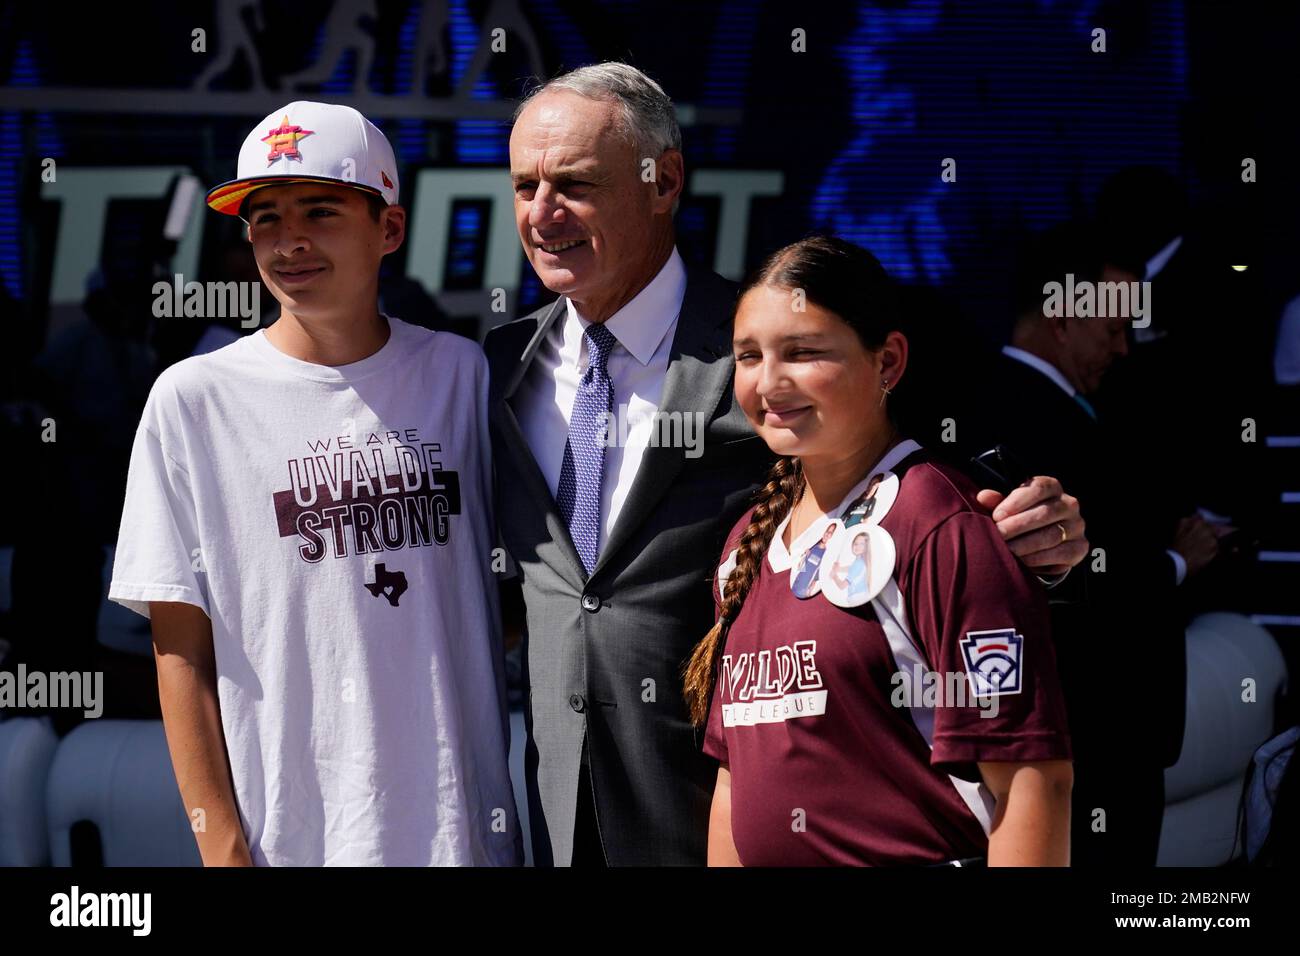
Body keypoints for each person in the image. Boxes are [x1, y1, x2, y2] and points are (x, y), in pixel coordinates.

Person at [486, 61, 1087, 866]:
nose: (543, 213)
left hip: (755, 814)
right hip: (568, 819)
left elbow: (942, 495)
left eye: (577, 184)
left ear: (663, 182)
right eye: (525, 187)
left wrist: (1045, 539)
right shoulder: (494, 371)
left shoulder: (790, 344)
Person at [109, 101, 519, 866]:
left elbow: (521, 592)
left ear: (389, 229)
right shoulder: (193, 400)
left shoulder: (461, 374)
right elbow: (179, 649)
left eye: (321, 211)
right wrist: (221, 847)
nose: (288, 241)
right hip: (289, 846)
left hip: (464, 838)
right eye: (264, 219)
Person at [687, 235, 1073, 866]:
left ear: (888, 362)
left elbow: (1032, 780)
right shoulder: (746, 545)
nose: (769, 382)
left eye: (804, 351)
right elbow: (734, 783)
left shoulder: (940, 522)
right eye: (749, 356)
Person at [791, 525, 835, 598]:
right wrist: (804, 556)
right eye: (827, 531)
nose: (827, 534)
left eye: (831, 533)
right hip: (795, 584)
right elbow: (800, 567)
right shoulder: (812, 545)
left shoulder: (826, 555)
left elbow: (818, 575)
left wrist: (810, 589)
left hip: (805, 591)